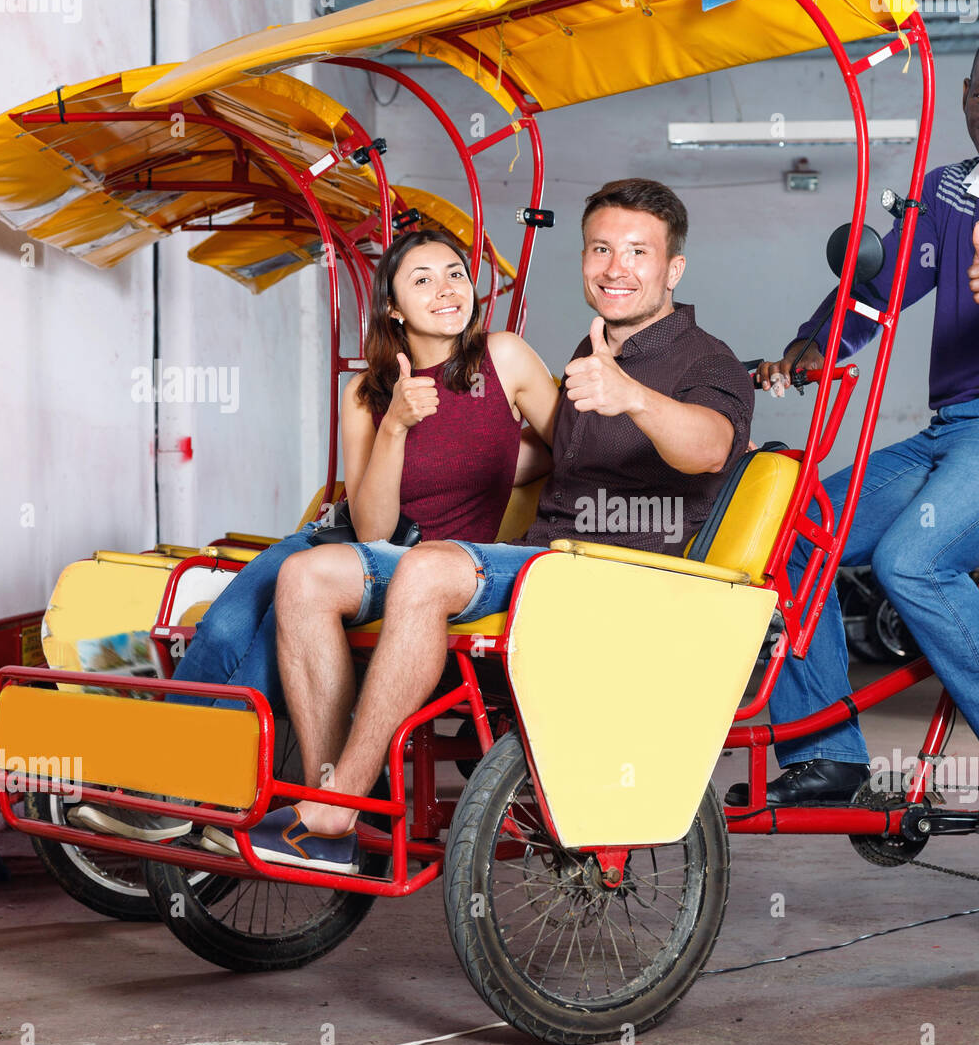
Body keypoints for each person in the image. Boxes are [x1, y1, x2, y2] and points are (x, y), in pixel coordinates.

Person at [240, 177, 754, 873]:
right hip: (539, 561)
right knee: (303, 576)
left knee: (427, 567)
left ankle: (334, 815)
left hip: (621, 577)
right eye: (600, 249)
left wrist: (632, 397)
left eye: (637, 251)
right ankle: (335, 787)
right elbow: (540, 454)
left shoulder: (705, 358)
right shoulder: (591, 346)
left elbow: (712, 447)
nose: (615, 268)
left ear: (673, 268)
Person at [726, 27, 979, 836]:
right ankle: (830, 753)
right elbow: (876, 290)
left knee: (915, 557)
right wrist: (816, 341)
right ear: (966, 95)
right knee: (797, 534)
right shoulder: (945, 194)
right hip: (959, 430)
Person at [69, 228, 559, 843]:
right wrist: (397, 427)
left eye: (456, 274)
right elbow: (369, 521)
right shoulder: (366, 391)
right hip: (337, 541)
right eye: (422, 280)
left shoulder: (505, 356)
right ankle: (168, 784)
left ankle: (193, 793)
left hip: (409, 559)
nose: (446, 291)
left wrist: (502, 465)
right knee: (223, 626)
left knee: (274, 628)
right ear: (392, 307)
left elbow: (565, 442)